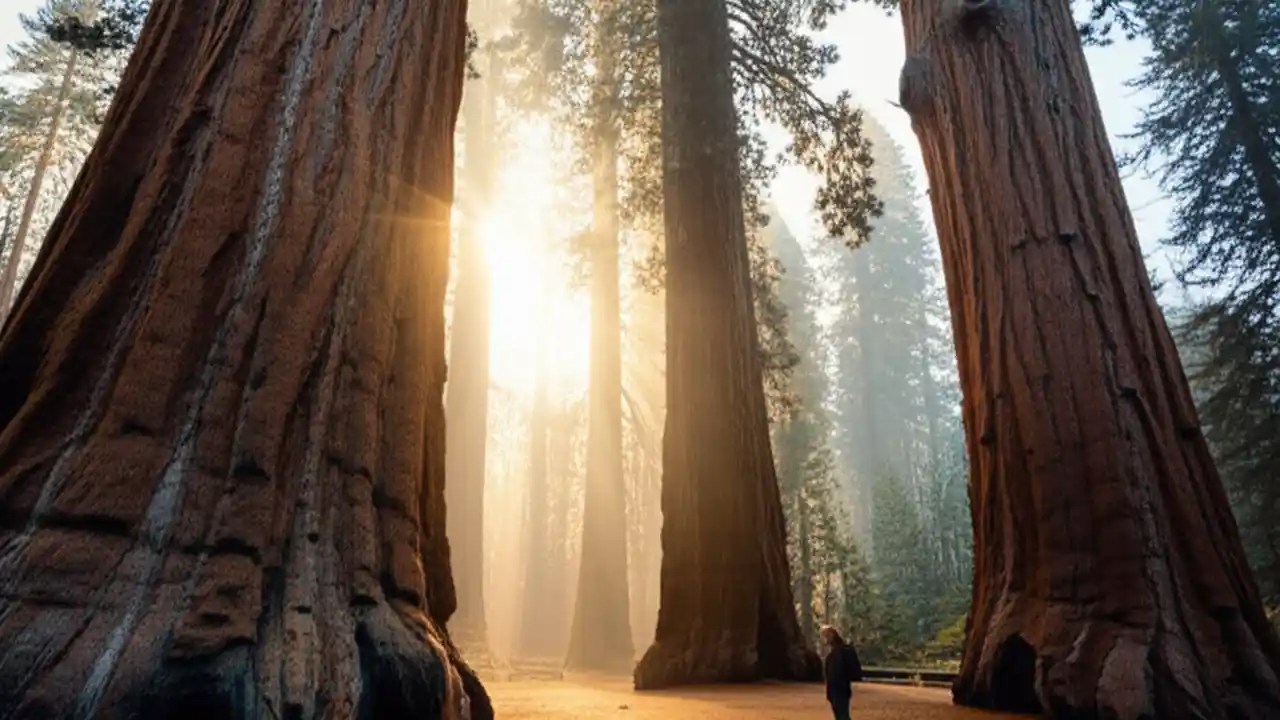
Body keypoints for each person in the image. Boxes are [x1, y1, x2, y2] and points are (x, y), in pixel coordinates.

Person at [820, 626, 862, 720]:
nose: (824, 639)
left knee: (842, 715)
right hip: (840, 688)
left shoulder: (838, 653)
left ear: (831, 636)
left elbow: (836, 672)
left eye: (825, 636)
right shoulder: (836, 652)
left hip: (839, 688)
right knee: (840, 714)